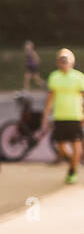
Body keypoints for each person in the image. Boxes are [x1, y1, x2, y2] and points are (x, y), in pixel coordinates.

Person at [40, 48, 84, 184]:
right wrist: (45, 116)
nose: (64, 63)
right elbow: (50, 99)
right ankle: (73, 162)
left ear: (72, 62)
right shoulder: (54, 77)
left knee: (76, 144)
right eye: (61, 61)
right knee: (60, 147)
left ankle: (73, 171)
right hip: (59, 116)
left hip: (75, 116)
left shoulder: (79, 77)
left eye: (66, 61)